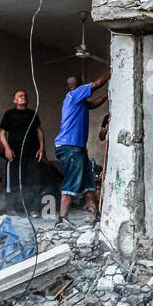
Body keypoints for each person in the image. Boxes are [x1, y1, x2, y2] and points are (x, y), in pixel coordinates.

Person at [54, 70, 111, 224]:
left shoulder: (76, 101)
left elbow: (92, 104)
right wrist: (113, 72)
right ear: (79, 85)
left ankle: (94, 214)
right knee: (72, 179)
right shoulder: (76, 94)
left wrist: (109, 95)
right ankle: (62, 218)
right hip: (69, 146)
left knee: (88, 181)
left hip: (75, 147)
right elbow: (98, 83)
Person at [0, 88, 44, 216]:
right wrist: (7, 148)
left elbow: (39, 131)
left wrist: (41, 148)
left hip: (32, 153)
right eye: (20, 96)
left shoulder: (32, 114)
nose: (23, 97)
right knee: (12, 181)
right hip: (14, 154)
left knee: (33, 181)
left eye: (25, 95)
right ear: (15, 100)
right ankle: (11, 208)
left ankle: (33, 209)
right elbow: (2, 134)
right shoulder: (9, 114)